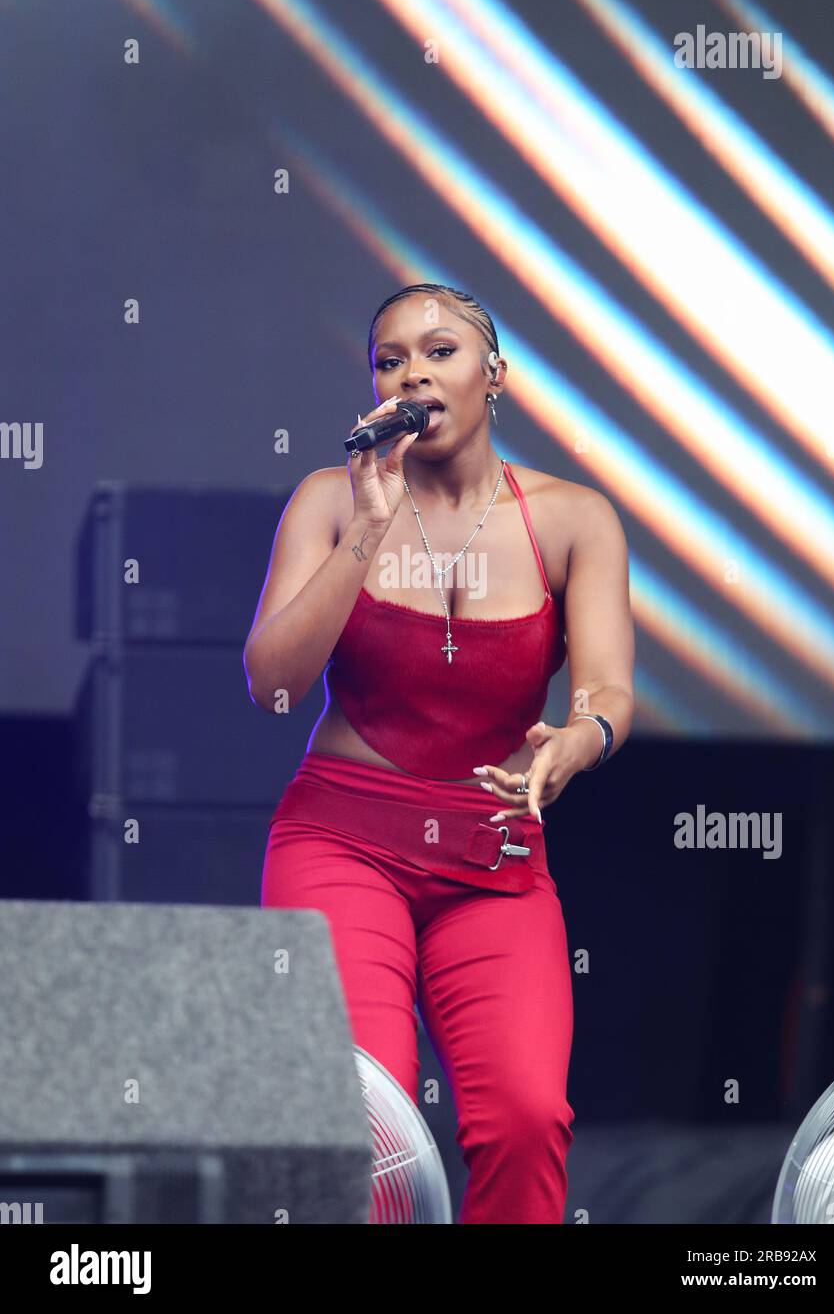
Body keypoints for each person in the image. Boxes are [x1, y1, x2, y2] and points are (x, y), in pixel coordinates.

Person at [244, 283, 634, 1224]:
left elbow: (609, 692)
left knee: (528, 1119)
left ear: (495, 375)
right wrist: (369, 528)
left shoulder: (575, 518)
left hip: (491, 856)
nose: (412, 372)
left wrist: (581, 738)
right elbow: (272, 685)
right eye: (389, 359)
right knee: (369, 1123)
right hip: (342, 840)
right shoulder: (330, 503)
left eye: (440, 351)